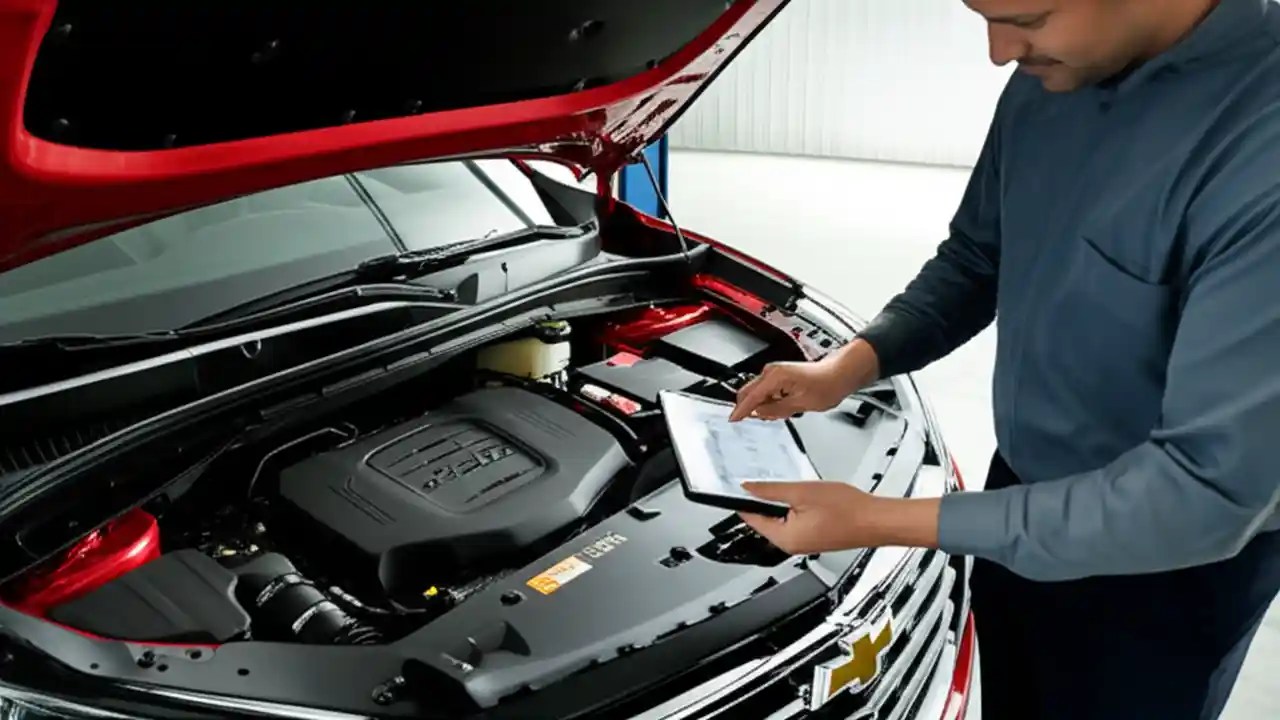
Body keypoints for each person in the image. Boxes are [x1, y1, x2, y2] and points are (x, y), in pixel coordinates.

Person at [727, 1, 1280, 718]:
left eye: (1028, 15)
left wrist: (880, 522)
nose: (997, 50)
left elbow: (1199, 495)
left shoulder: (1259, 153)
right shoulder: (1051, 75)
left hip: (1169, 572)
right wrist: (849, 367)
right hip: (1016, 497)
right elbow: (977, 258)